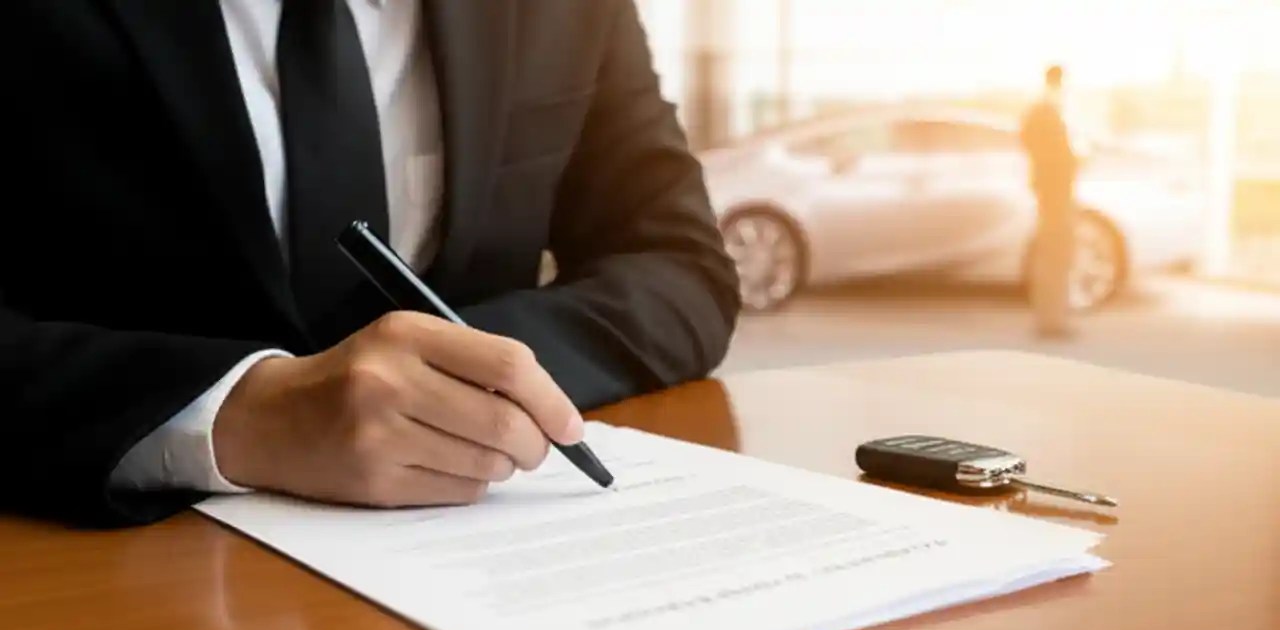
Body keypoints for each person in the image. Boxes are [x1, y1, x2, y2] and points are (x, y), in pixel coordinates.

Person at [2, 1, 740, 527]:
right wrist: (239, 414)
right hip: (123, 575)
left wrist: (462, 378)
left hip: (471, 562)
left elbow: (678, 262)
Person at [1019, 64, 1079, 337]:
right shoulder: (1045, 111)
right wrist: (1072, 162)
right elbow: (1048, 152)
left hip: (1052, 192)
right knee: (1054, 255)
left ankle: (1052, 319)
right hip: (1054, 194)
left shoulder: (1045, 110)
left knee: (1054, 255)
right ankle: (1050, 321)